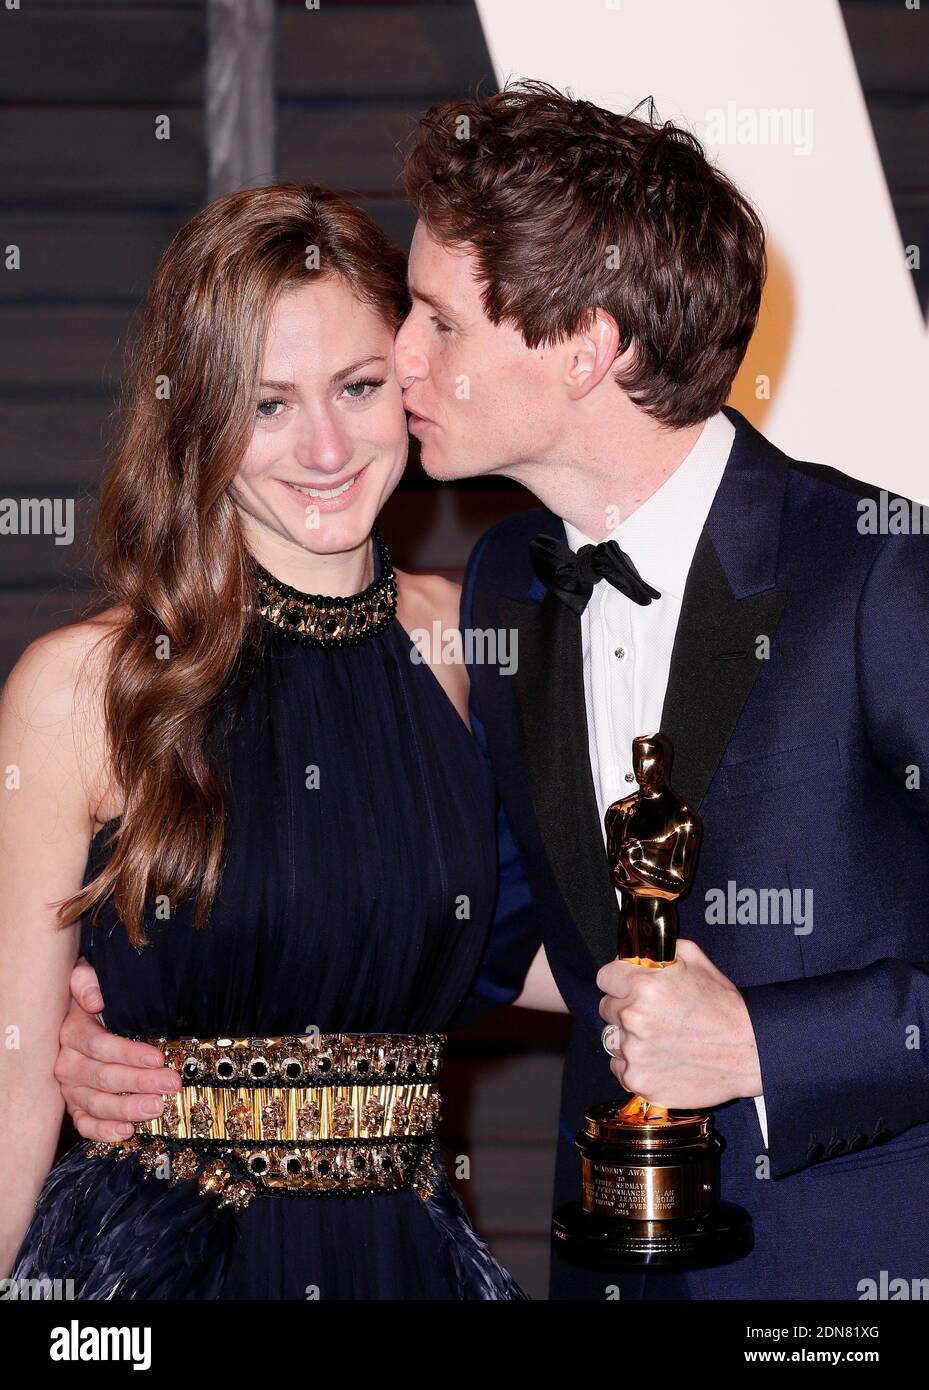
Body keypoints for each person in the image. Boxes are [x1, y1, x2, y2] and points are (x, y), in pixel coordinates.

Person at [50, 80, 929, 1301]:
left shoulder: (879, 573)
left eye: (437, 322)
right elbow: (467, 919)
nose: (398, 355)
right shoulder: (504, 591)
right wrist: (140, 1023)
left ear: (586, 346)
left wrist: (766, 1048)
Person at [0, 182, 530, 1300]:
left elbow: (571, 947)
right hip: (158, 1275)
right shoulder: (79, 690)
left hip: (407, 1262)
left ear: (411, 382)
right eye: (268, 404)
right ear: (196, 420)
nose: (327, 446)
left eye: (357, 386)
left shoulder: (486, 645)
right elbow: (10, 1086)